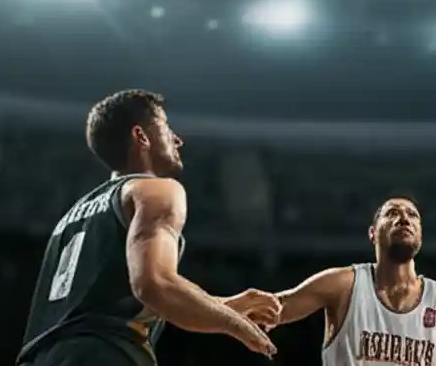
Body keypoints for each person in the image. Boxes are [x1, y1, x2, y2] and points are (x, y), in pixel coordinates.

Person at [16, 89, 281, 365]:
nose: (177, 139)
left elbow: (105, 305)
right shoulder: (156, 190)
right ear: (141, 137)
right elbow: (154, 284)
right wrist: (232, 325)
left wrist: (224, 306)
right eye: (166, 128)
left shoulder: (72, 216)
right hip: (105, 355)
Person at [264, 195, 436, 366]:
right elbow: (276, 306)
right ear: (372, 233)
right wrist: (230, 313)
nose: (404, 218)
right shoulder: (344, 285)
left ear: (420, 236)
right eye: (392, 213)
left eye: (413, 215)